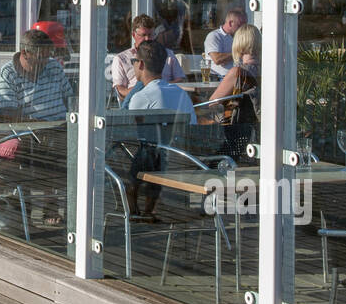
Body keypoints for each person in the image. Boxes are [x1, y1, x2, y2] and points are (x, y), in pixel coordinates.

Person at [124, 39, 197, 217]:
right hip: (185, 160)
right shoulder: (181, 94)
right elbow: (193, 127)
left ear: (140, 64)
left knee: (139, 156)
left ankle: (134, 214)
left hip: (158, 163)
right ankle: (148, 211)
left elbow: (130, 134)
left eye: (134, 62)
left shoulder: (142, 97)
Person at [0, 28, 73, 121]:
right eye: (40, 57)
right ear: (24, 53)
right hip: (31, 132)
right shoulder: (7, 75)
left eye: (47, 56)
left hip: (63, 128)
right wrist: (35, 123)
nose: (45, 61)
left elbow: (70, 99)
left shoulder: (54, 66)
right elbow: (7, 114)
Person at [111, 14, 184, 101]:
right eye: (143, 35)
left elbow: (181, 81)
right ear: (134, 35)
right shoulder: (121, 59)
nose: (147, 39)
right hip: (137, 102)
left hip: (166, 100)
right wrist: (142, 91)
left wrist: (158, 87)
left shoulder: (167, 54)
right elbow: (119, 90)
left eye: (150, 35)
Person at [209, 24, 261, 129]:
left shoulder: (238, 73)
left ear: (238, 45)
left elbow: (212, 103)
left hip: (238, 133)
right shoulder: (270, 72)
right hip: (262, 129)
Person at [203, 8, 247, 79]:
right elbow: (217, 59)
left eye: (245, 26)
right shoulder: (214, 36)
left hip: (240, 77)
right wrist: (239, 53)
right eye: (239, 25)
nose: (243, 29)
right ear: (230, 23)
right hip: (221, 77)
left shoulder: (242, 37)